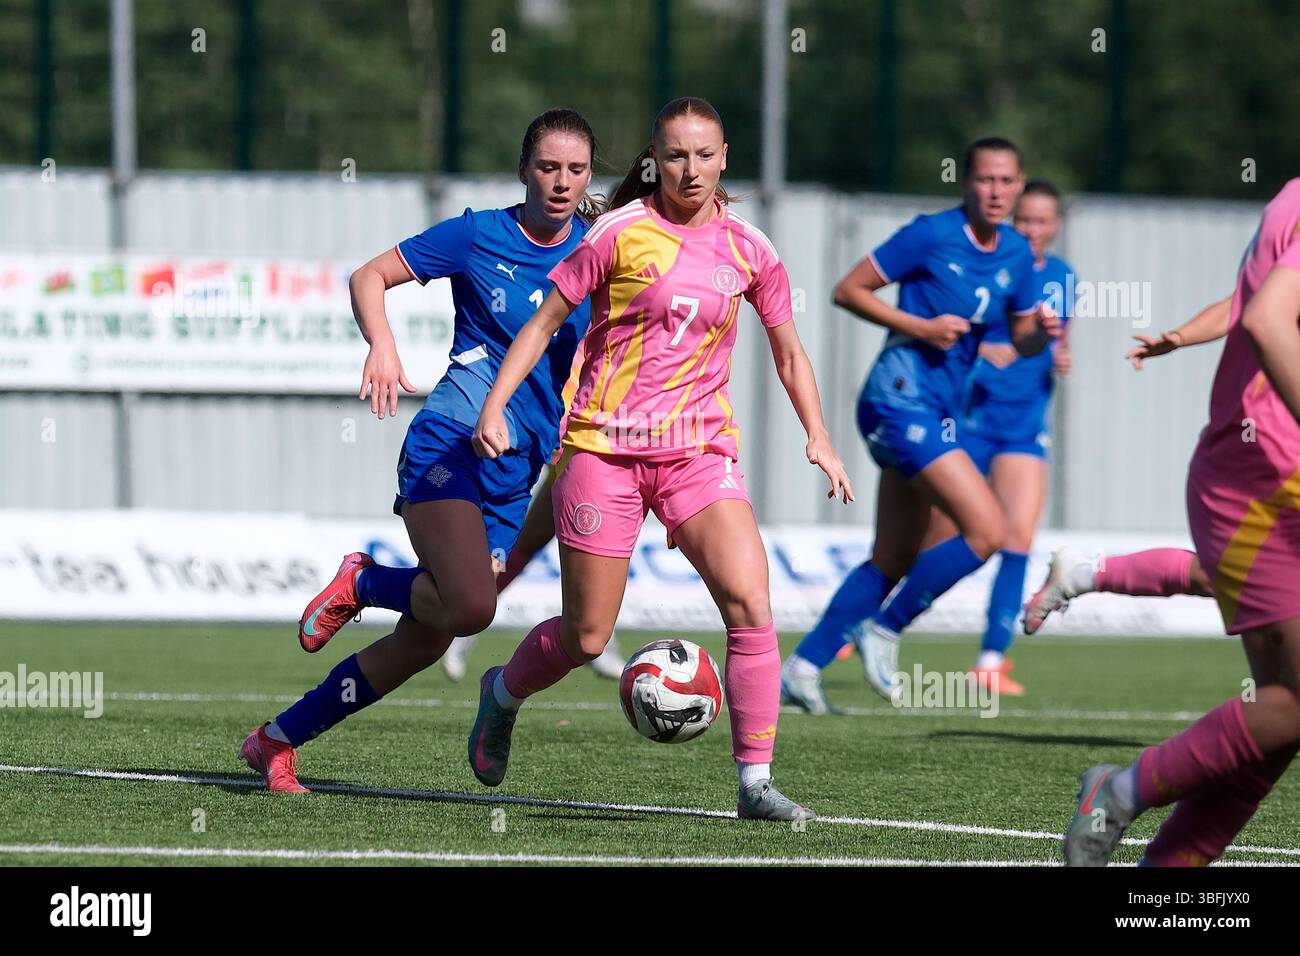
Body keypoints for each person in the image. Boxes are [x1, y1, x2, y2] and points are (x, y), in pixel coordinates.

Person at [466, 96, 853, 821]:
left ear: (725, 157)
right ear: (654, 160)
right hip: (603, 452)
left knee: (750, 603)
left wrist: (819, 434)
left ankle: (754, 784)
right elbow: (544, 323)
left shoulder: (752, 250)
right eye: (675, 155)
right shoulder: (616, 233)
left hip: (698, 453)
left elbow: (790, 352)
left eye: (704, 155)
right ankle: (502, 693)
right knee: (586, 637)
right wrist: (496, 405)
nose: (690, 169)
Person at [238, 109, 601, 792]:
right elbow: (368, 277)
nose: (560, 182)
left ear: (589, 177)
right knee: (471, 607)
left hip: (516, 471)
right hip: (449, 443)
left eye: (575, 170)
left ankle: (275, 740)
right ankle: (365, 581)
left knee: (427, 637)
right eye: (547, 167)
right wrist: (382, 343)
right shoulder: (477, 234)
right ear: (525, 169)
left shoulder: (596, 253)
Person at [1064, 178, 1300, 866]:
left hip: (1262, 475)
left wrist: (1179, 335)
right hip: (1263, 487)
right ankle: (1120, 788)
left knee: (1280, 720)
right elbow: (1266, 318)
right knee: (1290, 706)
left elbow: (1256, 304)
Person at [780, 138, 1055, 711]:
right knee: (986, 530)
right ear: (967, 182)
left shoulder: (1015, 255)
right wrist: (922, 326)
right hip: (897, 399)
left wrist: (1042, 332)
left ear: (1020, 185)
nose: (997, 192)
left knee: (894, 555)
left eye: (1007, 182)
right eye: (985, 180)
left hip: (939, 412)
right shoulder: (931, 234)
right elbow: (847, 290)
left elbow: (1024, 340)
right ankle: (884, 628)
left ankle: (803, 665)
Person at [1021, 295, 1233, 633]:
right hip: (1262, 448)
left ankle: (1081, 574)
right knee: (1243, 584)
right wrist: (1178, 338)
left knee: (1232, 581)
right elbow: (1249, 304)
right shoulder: (1285, 259)